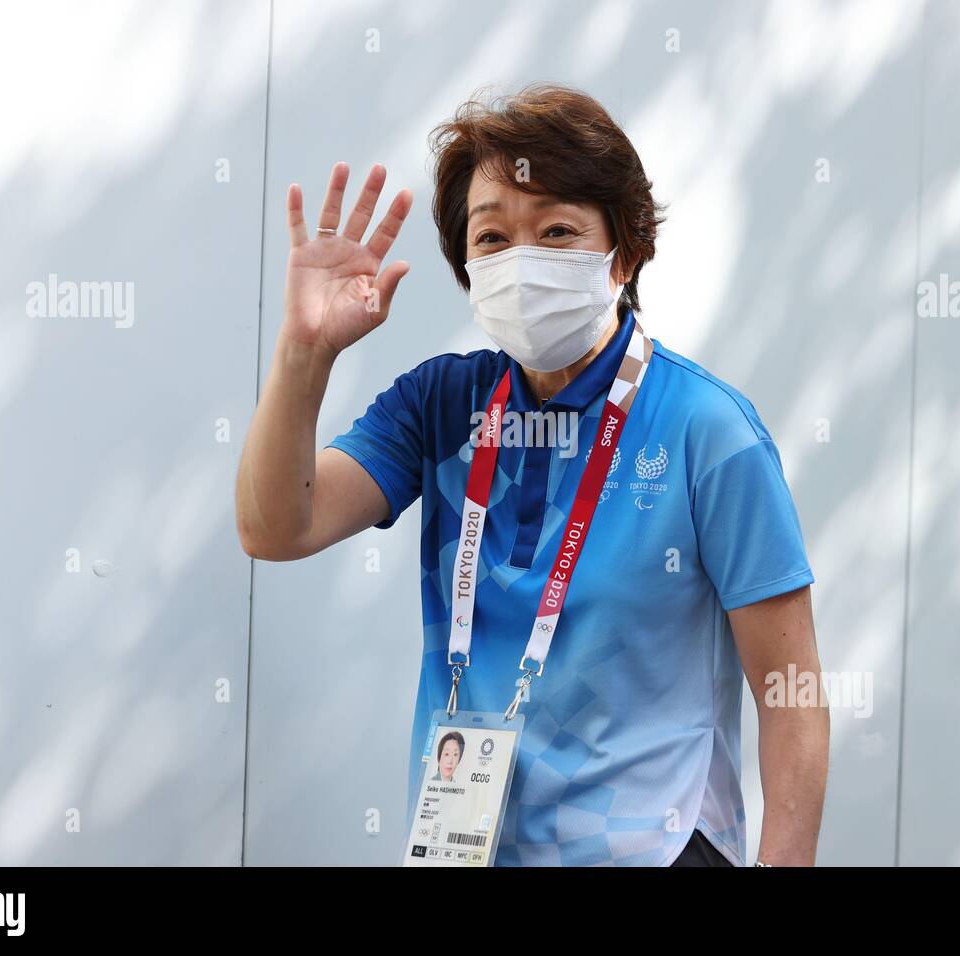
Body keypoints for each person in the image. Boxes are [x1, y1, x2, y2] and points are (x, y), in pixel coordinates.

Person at [236, 84, 829, 867]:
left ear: (625, 250)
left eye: (557, 230)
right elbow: (276, 527)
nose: (523, 262)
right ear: (466, 264)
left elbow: (793, 697)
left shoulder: (706, 430)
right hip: (470, 849)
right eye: (493, 239)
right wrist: (303, 355)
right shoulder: (441, 405)